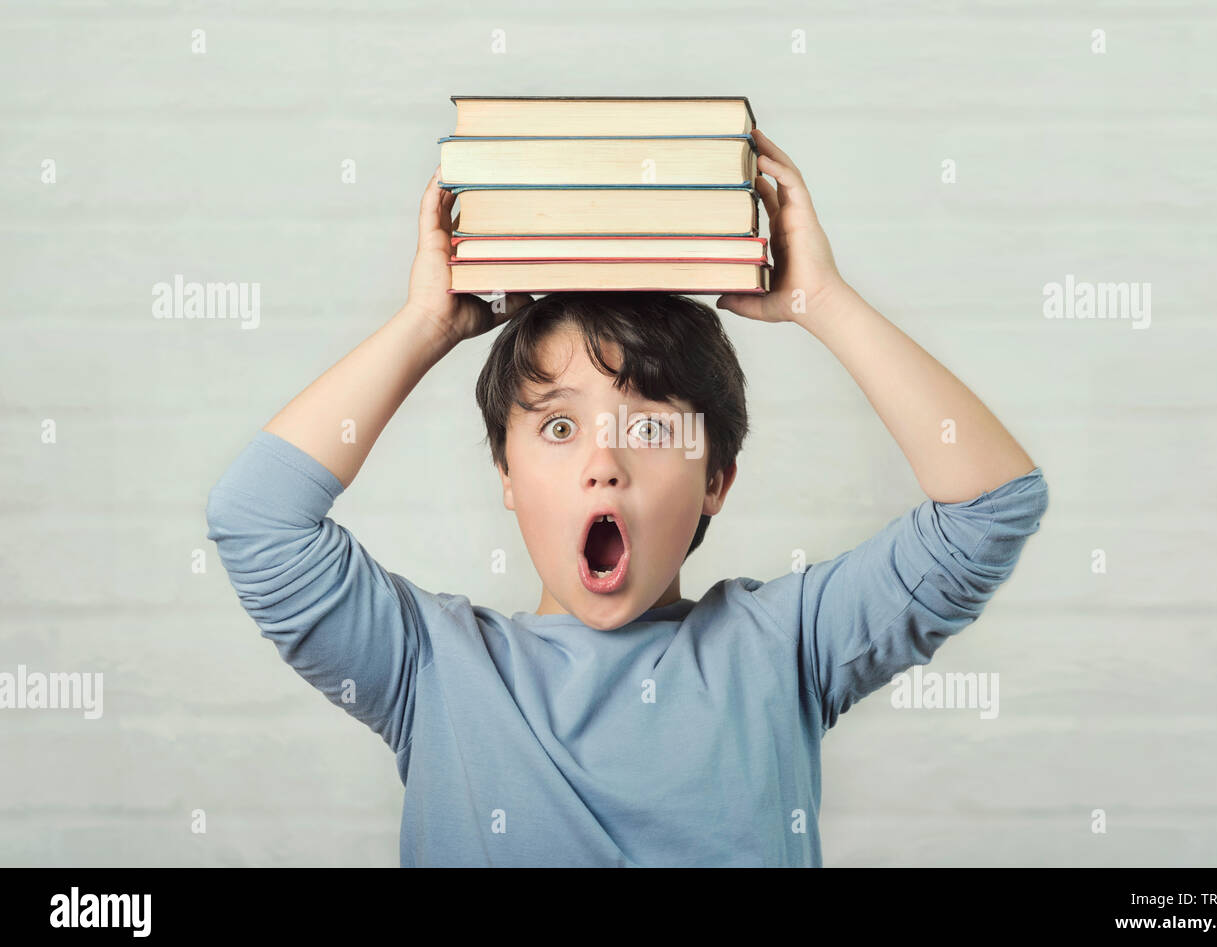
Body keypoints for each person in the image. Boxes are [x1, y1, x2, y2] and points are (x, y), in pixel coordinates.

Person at [205, 129, 1049, 866]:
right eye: (559, 428)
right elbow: (256, 519)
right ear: (505, 472)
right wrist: (426, 325)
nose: (604, 464)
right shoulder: (429, 666)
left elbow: (991, 506)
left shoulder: (785, 648)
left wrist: (822, 301)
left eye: (651, 430)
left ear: (716, 478)